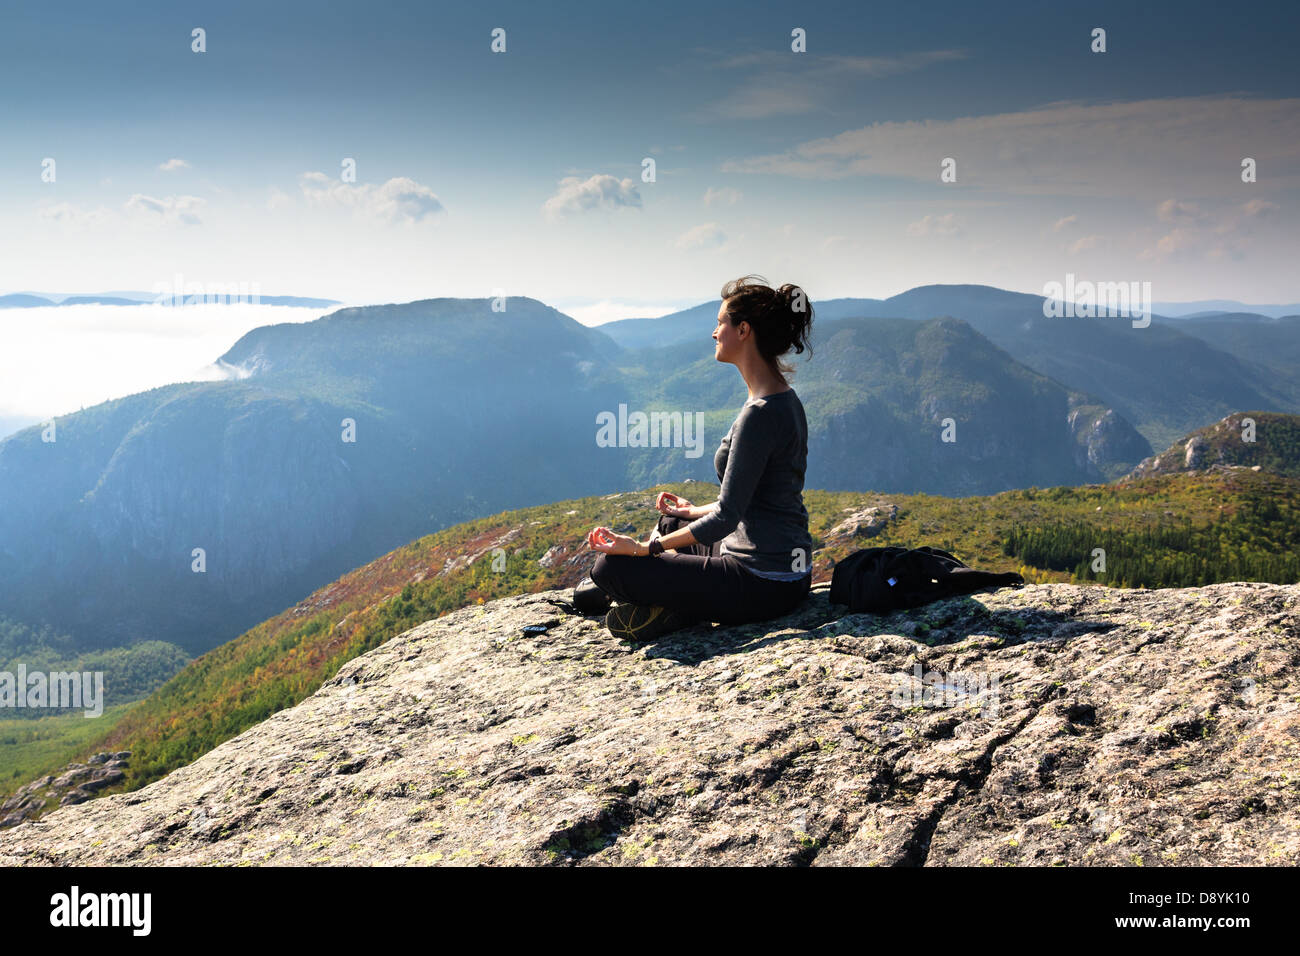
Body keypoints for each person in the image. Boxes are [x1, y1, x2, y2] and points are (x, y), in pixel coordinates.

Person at [585, 275, 815, 643]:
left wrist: (645, 550)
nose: (714, 332)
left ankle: (657, 599)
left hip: (762, 582)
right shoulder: (782, 399)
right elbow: (745, 501)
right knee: (671, 520)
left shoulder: (761, 413)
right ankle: (661, 598)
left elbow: (726, 517)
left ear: (743, 330)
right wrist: (689, 512)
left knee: (610, 566)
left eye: (720, 322)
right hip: (784, 572)